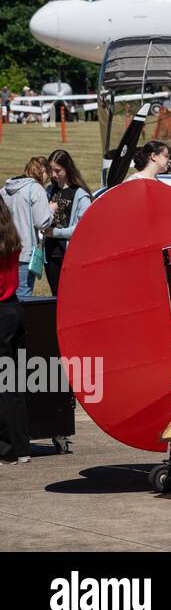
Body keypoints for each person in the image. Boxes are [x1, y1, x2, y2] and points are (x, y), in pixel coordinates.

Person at [0, 198, 32, 465]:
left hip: (1, 312)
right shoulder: (11, 238)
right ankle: (21, 445)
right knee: (14, 383)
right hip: (14, 310)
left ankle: (8, 448)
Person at [43, 149, 92, 297]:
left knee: (72, 296)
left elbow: (82, 228)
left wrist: (55, 233)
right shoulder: (49, 190)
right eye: (51, 170)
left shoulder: (80, 194)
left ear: (67, 168)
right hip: (50, 253)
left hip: (70, 255)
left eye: (58, 170)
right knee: (55, 297)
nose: (53, 175)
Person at [2, 158, 52, 299]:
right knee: (23, 294)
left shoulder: (6, 189)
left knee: (7, 294)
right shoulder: (36, 189)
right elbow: (42, 222)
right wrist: (51, 210)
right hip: (26, 253)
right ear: (43, 171)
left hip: (6, 249)